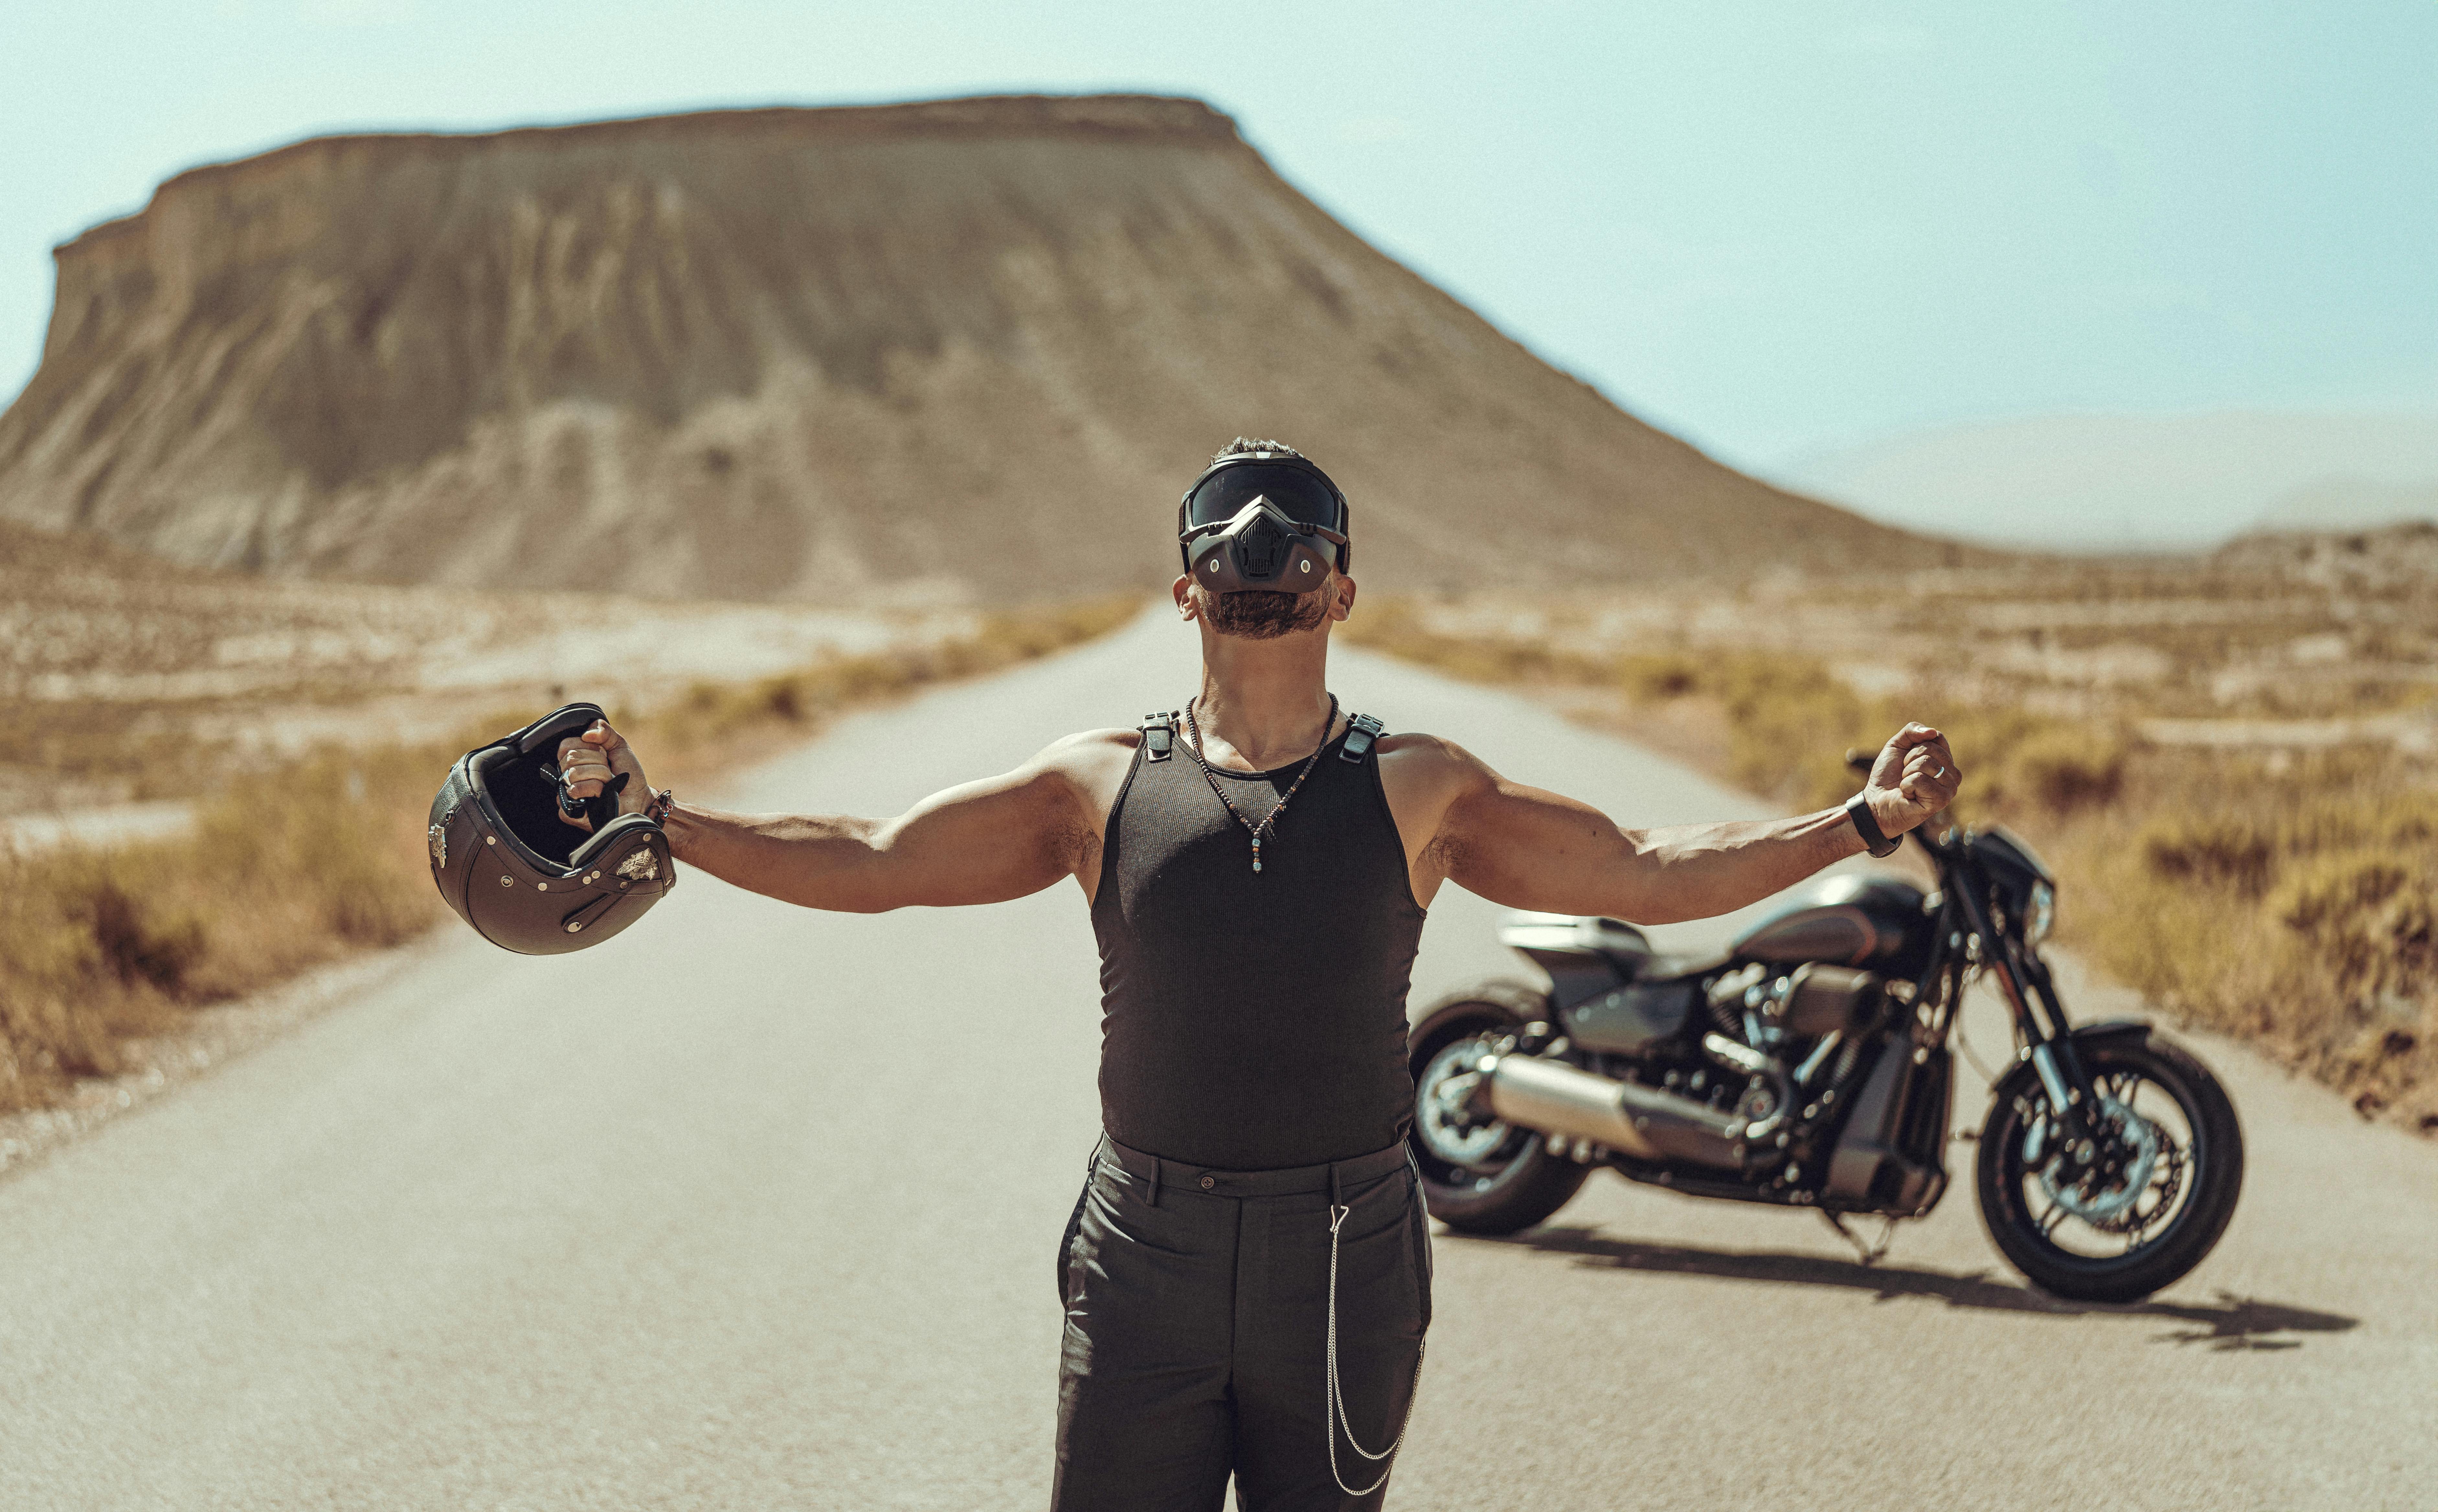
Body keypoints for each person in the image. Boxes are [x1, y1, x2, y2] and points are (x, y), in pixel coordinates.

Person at [555, 438, 1962, 1511]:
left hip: (1343, 1258)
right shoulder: (1095, 785)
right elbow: (870, 855)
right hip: (1144, 1258)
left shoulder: (1418, 788)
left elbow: (1648, 868)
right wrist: (657, 817)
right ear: (1185, 586)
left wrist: (1857, 826)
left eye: (1295, 532)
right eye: (1229, 529)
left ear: (1340, 583)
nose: (1260, 549)